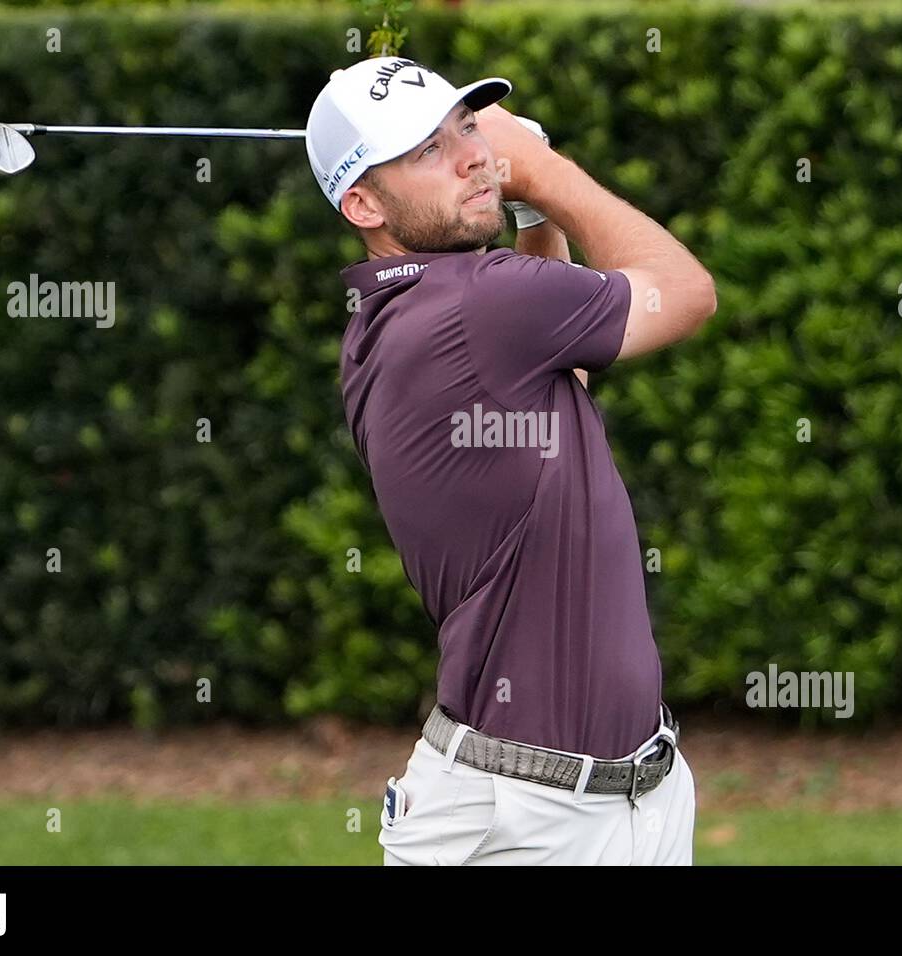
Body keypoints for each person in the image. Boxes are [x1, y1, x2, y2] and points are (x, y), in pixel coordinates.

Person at [305, 56, 716, 865]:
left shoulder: (408, 312)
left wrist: (529, 209)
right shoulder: (477, 301)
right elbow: (686, 291)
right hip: (519, 826)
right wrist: (544, 172)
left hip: (629, 795)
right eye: (425, 151)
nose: (470, 155)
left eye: (465, 127)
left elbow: (564, 364)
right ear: (361, 202)